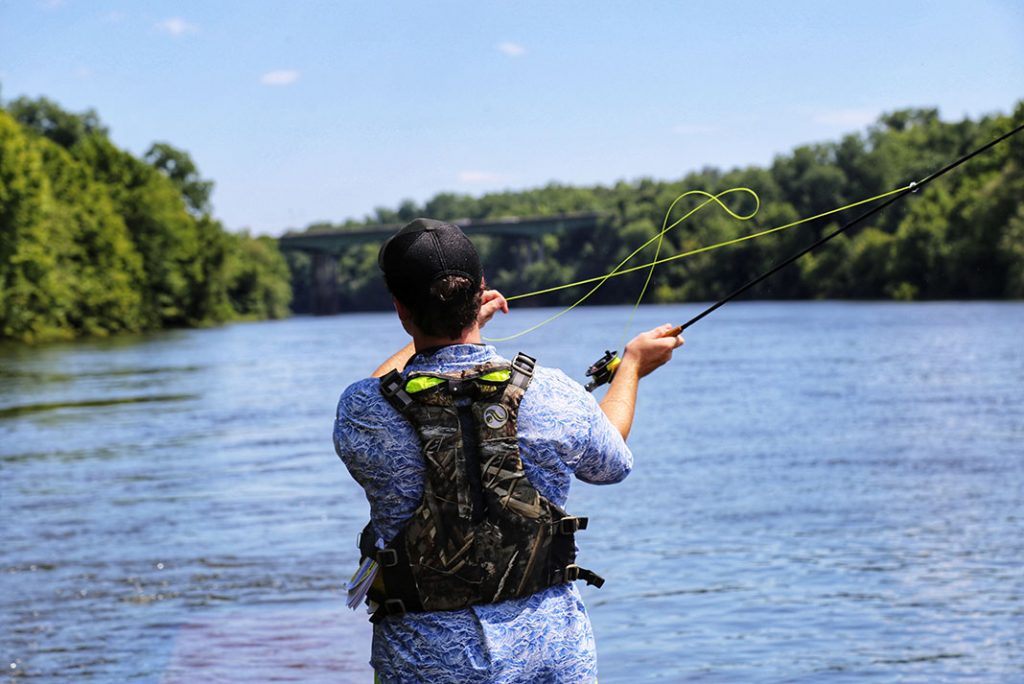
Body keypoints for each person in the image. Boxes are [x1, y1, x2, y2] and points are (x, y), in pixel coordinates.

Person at [334, 218, 683, 683]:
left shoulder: (361, 410)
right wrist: (632, 368)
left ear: (400, 308)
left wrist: (445, 325)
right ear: (480, 289)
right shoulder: (552, 391)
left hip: (425, 662)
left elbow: (383, 384)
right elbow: (611, 462)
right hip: (550, 656)